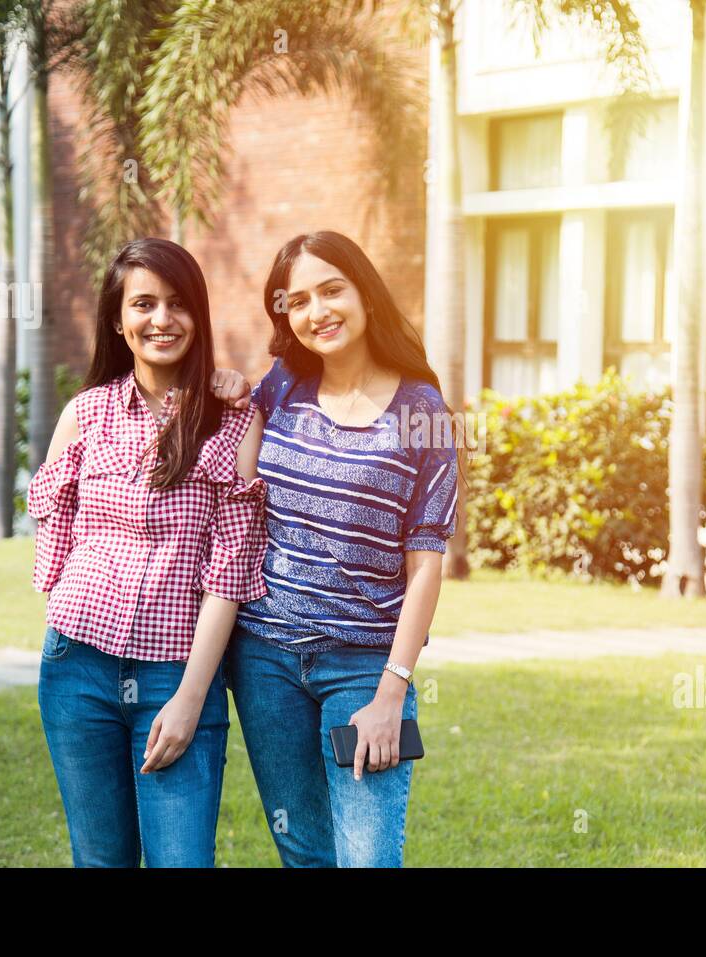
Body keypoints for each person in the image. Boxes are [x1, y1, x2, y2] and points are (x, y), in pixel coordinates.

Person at [220, 230, 459, 867]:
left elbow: (427, 561)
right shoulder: (281, 388)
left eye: (331, 291)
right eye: (297, 301)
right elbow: (239, 492)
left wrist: (391, 692)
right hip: (264, 658)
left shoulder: (422, 410)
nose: (316, 312)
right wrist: (226, 391)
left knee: (367, 858)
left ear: (365, 293)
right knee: (303, 853)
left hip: (363, 665)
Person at [27, 237, 267, 867]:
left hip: (177, 674)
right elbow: (54, 531)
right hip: (77, 669)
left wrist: (190, 697)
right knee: (101, 860)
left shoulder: (234, 422)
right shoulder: (86, 414)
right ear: (118, 320)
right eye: (144, 304)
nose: (162, 319)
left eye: (178, 303)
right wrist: (63, 610)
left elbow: (231, 573)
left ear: (200, 316)